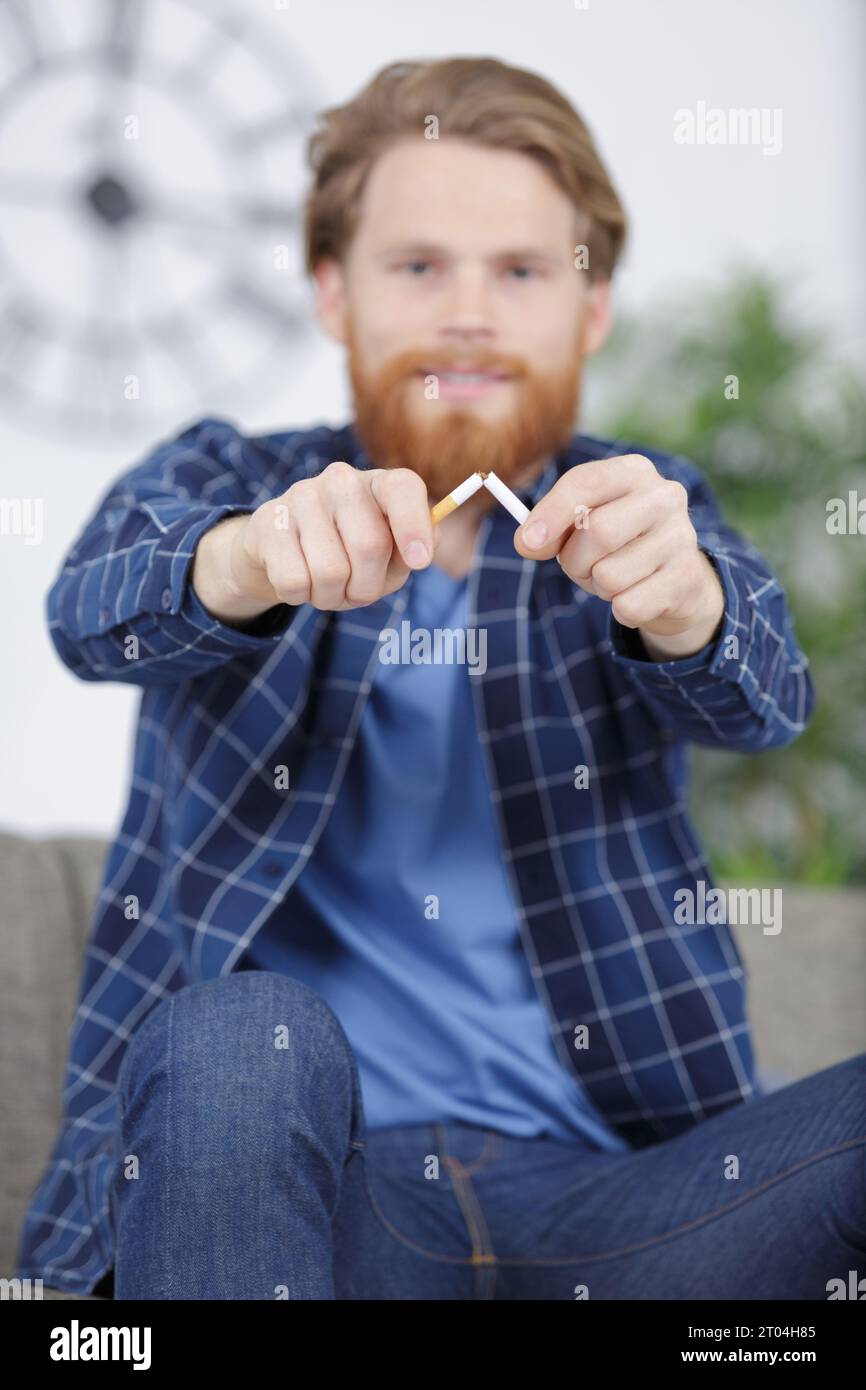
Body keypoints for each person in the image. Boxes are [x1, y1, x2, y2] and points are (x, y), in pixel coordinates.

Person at [17, 56, 863, 1301]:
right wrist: (244, 557)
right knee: (242, 1033)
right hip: (323, 1204)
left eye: (521, 271)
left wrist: (693, 609)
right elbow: (87, 612)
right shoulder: (225, 480)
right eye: (416, 267)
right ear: (330, 294)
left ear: (590, 311)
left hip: (628, 1210)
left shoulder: (645, 508)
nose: (467, 313)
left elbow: (766, 695)